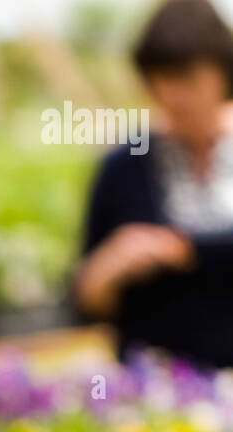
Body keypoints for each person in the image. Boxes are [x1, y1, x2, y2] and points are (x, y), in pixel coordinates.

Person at [75, 0, 233, 369]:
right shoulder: (123, 167)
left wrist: (184, 249)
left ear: (222, 74)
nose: (171, 95)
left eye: (186, 77)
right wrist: (110, 265)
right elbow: (87, 300)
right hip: (156, 392)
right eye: (159, 79)